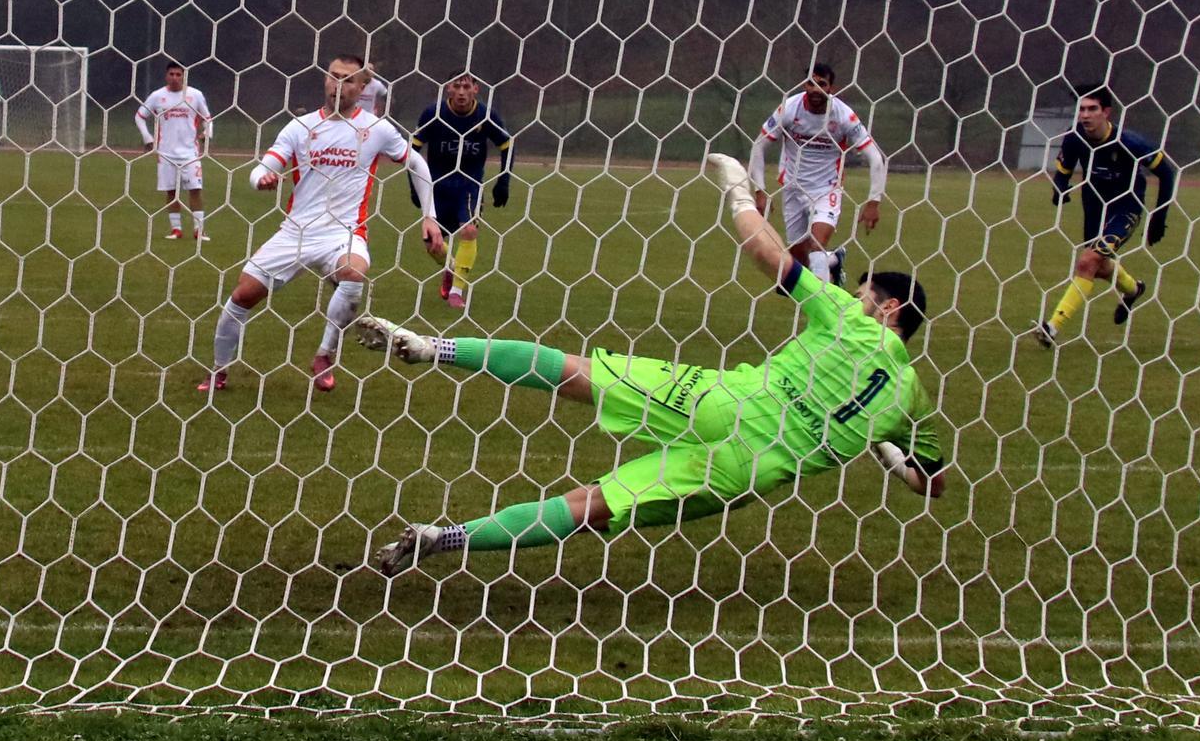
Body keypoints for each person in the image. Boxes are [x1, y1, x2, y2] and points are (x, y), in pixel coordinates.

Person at [361, 153, 948, 576]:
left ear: (888, 308)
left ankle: (428, 347)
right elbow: (932, 485)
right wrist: (885, 448)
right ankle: (444, 539)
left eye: (868, 291)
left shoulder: (846, 318)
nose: (858, 294)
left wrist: (741, 193)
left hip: (727, 400)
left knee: (577, 372)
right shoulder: (911, 398)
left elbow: (767, 254)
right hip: (751, 471)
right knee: (592, 506)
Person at [198, 54, 445, 394]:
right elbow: (261, 168)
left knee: (354, 274)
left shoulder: (376, 129)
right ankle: (220, 370)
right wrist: (263, 179)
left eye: (347, 79)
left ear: (362, 87)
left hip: (344, 232)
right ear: (325, 80)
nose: (338, 84)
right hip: (296, 232)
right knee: (242, 297)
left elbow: (416, 162)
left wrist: (428, 216)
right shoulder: (300, 127)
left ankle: (324, 356)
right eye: (333, 76)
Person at [1030, 87, 1177, 347]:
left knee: (1088, 261)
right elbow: (1063, 169)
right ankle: (1134, 290)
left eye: (1092, 109)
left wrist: (1158, 216)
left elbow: (1167, 173)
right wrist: (1059, 187)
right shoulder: (1075, 138)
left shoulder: (1130, 142)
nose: (1085, 115)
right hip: (1094, 205)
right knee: (1098, 266)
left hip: (1126, 208)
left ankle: (1052, 328)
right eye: (1082, 109)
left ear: (1106, 112)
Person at [749, 63, 887, 287]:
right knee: (799, 261)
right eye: (810, 83)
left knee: (816, 244)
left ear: (831, 88)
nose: (815, 89)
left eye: (821, 84)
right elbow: (759, 146)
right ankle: (833, 260)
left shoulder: (843, 115)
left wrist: (874, 202)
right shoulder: (789, 108)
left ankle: (824, 304)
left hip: (826, 189)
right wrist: (760, 191)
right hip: (792, 189)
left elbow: (874, 156)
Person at [409, 74, 514, 308]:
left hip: (469, 185)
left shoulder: (486, 115)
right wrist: (415, 187)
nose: (461, 92)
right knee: (432, 243)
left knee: (468, 230)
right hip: (436, 186)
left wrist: (503, 180)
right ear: (448, 88)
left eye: (467, 86)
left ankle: (457, 291)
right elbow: (413, 149)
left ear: (476, 89)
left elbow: (507, 145)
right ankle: (451, 269)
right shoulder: (433, 114)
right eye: (457, 86)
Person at [135, 62, 213, 241]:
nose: (175, 78)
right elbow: (139, 116)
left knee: (195, 189)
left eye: (179, 74)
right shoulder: (157, 96)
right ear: (166, 76)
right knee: (171, 191)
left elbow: (207, 118)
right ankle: (176, 229)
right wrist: (148, 138)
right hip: (166, 153)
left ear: (184, 76)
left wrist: (207, 133)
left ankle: (198, 230)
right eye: (172, 74)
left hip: (190, 153)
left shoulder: (195, 95)